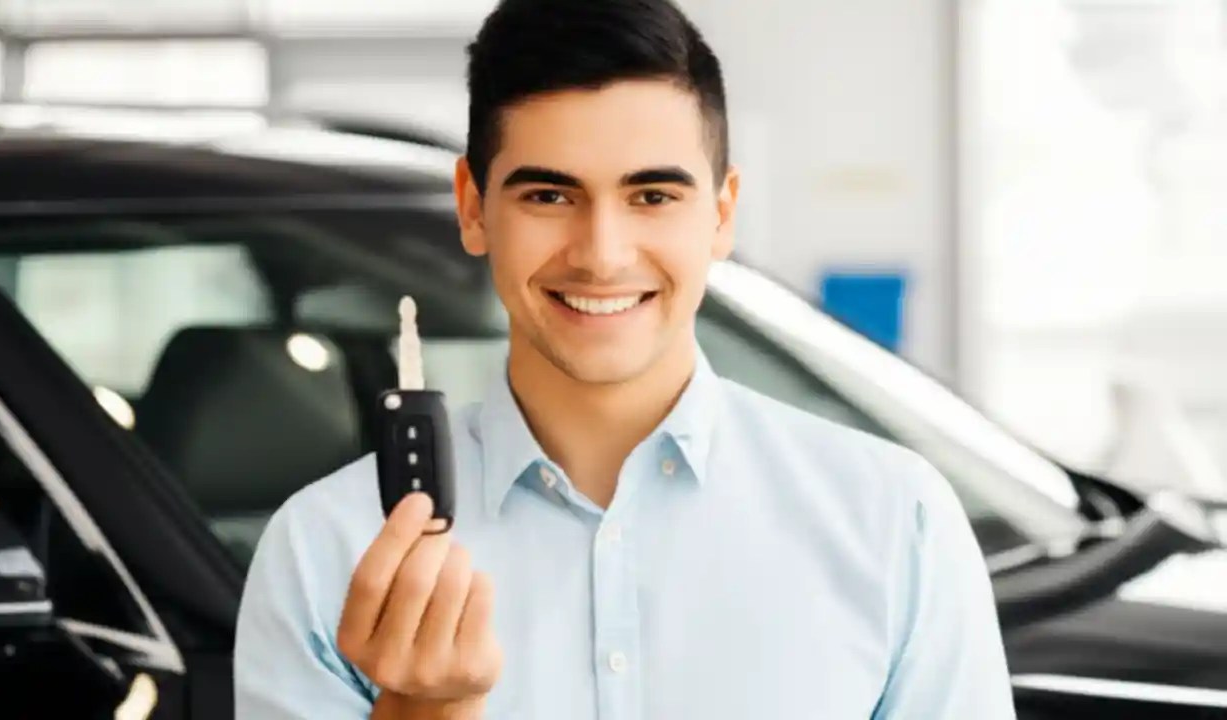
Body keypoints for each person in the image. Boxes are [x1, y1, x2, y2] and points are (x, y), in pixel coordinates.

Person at [232, 0, 1017, 717]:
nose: (602, 256)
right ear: (473, 208)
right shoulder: (324, 553)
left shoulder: (894, 523)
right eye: (549, 196)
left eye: (653, 197)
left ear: (721, 212)